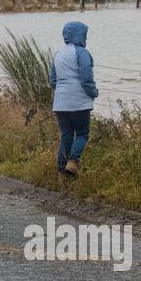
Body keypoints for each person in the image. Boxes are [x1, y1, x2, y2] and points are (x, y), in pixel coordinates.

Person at [48, 20, 98, 177]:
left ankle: (61, 171)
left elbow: (52, 81)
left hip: (60, 102)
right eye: (85, 34)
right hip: (79, 101)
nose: (86, 37)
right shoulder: (82, 52)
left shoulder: (58, 54)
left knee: (66, 135)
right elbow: (86, 77)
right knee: (82, 133)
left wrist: (63, 92)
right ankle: (73, 161)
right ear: (80, 35)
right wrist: (93, 92)